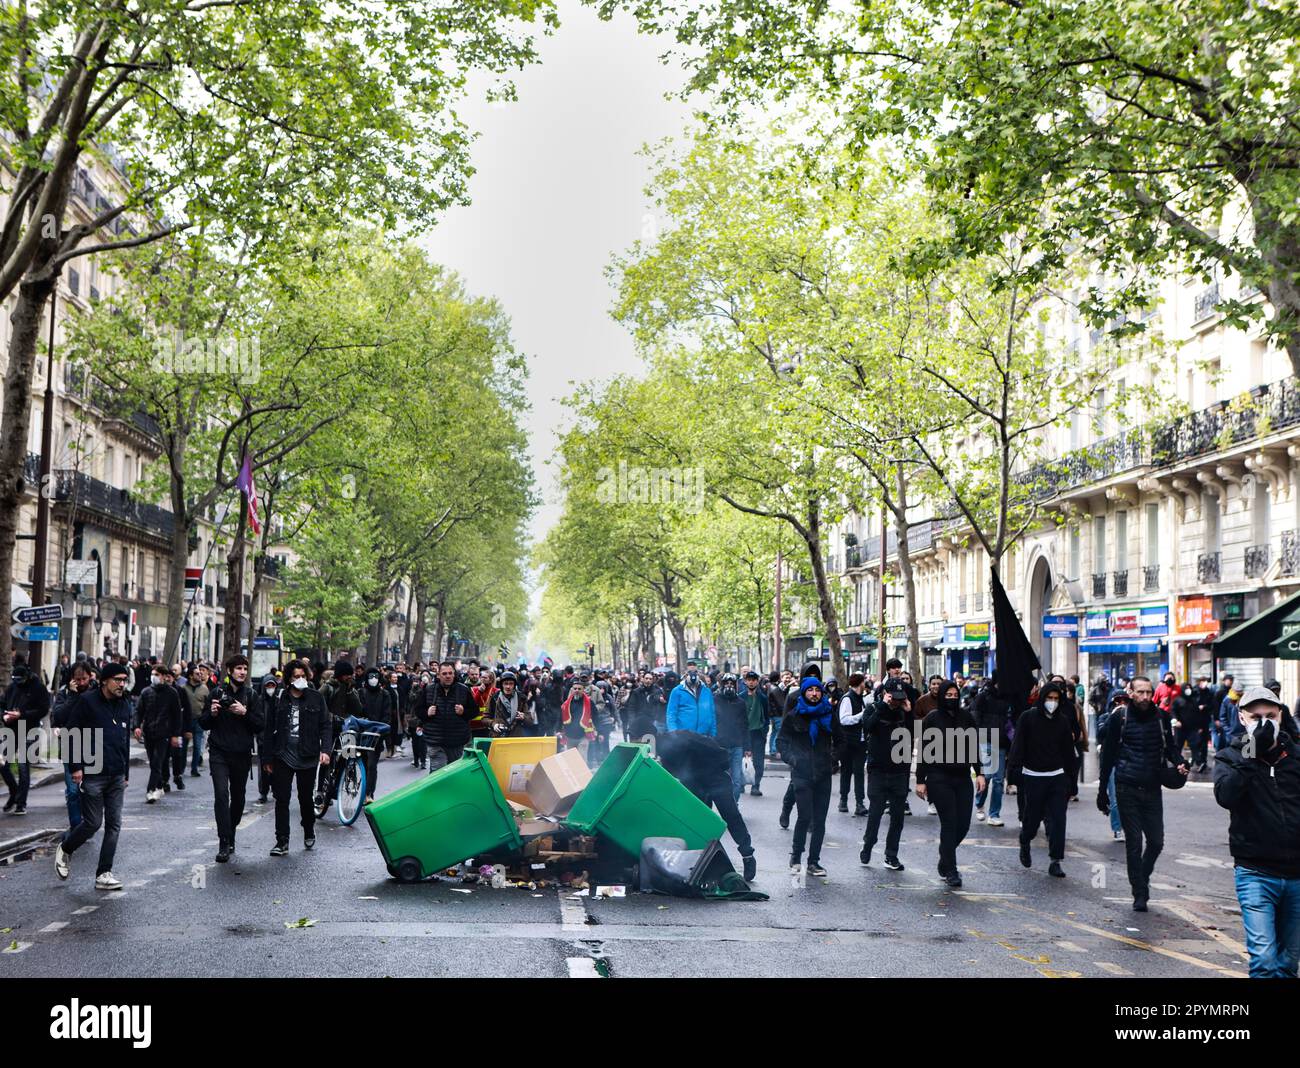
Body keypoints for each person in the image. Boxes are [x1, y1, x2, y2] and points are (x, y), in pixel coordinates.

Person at [1213, 686, 1300, 978]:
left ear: (1281, 715)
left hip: (1297, 874)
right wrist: (1252, 751)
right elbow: (1226, 796)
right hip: (1256, 872)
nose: (1264, 723)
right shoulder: (1230, 756)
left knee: (1288, 964)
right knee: (1263, 959)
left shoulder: (1296, 755)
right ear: (1242, 718)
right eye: (1256, 717)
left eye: (1270, 716)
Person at [1097, 674, 1188, 911]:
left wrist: (1179, 762)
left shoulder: (1161, 718)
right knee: (1134, 843)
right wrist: (1102, 790)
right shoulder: (1120, 718)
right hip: (1126, 787)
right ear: (1131, 694)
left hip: (1152, 787)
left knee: (1156, 842)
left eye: (1149, 692)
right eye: (1141, 692)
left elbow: (1170, 748)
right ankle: (1139, 892)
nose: (1146, 697)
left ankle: (1142, 876)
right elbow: (1107, 756)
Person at [644, 719, 758, 882]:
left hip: (715, 777)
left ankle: (747, 855)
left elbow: (710, 746)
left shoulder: (680, 737)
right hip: (695, 783)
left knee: (731, 815)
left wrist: (720, 764)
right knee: (700, 824)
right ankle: (707, 863)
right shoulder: (658, 754)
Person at [54, 661, 133, 890]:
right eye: (117, 680)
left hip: (116, 774)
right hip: (93, 772)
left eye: (124, 680)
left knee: (114, 824)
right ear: (104, 681)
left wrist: (125, 771)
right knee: (92, 823)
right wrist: (76, 767)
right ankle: (66, 847)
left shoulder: (125, 704)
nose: (121, 684)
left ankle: (104, 873)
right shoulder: (87, 702)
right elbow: (70, 733)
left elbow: (124, 741)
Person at [915, 680, 985, 888]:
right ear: (942, 695)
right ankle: (951, 870)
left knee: (963, 825)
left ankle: (945, 856)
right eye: (949, 694)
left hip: (963, 777)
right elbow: (924, 751)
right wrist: (920, 780)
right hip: (939, 777)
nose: (952, 698)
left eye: (956, 694)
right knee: (950, 823)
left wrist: (979, 773)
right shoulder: (932, 718)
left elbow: (974, 746)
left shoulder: (967, 718)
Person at [260, 660, 332, 855]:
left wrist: (326, 750)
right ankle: (282, 841)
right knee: (281, 799)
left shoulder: (316, 698)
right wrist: (266, 758)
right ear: (289, 679)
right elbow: (268, 729)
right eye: (295, 676)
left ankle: (308, 828)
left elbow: (325, 725)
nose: (300, 679)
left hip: (307, 755)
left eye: (303, 676)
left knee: (305, 799)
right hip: (282, 754)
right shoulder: (279, 698)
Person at [1007, 680, 1076, 878]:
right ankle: (1025, 840)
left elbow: (1067, 752)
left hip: (1057, 777)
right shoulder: (1027, 718)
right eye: (1049, 698)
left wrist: (1071, 779)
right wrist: (1013, 772)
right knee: (1032, 819)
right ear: (1042, 698)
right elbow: (1018, 745)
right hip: (1033, 777)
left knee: (1057, 820)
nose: (1052, 702)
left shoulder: (1062, 721)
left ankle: (1055, 860)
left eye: (1056, 699)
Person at [203, 655, 265, 863]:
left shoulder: (252, 695)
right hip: (219, 752)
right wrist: (211, 713)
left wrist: (244, 712)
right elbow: (202, 723)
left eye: (245, 669)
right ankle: (223, 841)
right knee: (221, 795)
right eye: (238, 668)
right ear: (229, 671)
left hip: (241, 753)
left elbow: (259, 725)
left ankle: (231, 832)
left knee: (238, 799)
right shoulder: (216, 693)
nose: (242, 672)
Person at [779, 676, 836, 878]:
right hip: (802, 774)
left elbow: (841, 739)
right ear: (804, 693)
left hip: (823, 773)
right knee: (804, 817)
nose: (814, 694)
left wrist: (834, 759)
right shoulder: (794, 716)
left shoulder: (829, 714)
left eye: (817, 690)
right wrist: (793, 760)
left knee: (819, 821)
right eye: (810, 690)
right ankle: (795, 857)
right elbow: (781, 742)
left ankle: (814, 862)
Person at [859, 678, 912, 870]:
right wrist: (883, 706)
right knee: (875, 814)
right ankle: (868, 845)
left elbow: (914, 735)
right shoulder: (873, 708)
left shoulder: (904, 712)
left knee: (898, 818)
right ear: (885, 694)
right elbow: (867, 727)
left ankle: (891, 855)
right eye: (894, 698)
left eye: (900, 698)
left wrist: (908, 712)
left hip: (899, 771)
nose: (897, 702)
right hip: (878, 771)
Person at [2, 655, 50, 814]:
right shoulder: (12, 687)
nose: (17, 684)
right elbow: (1, 703)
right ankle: (14, 792)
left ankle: (21, 803)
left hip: (29, 729)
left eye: (20, 681)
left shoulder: (38, 687)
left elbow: (43, 709)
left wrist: (22, 714)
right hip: (11, 729)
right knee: (3, 764)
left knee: (23, 766)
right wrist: (4, 715)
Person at [51, 661, 95, 830]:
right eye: (78, 679)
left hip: (93, 747)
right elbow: (59, 717)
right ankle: (77, 828)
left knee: (91, 790)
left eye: (84, 679)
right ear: (72, 679)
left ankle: (89, 822)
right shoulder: (65, 694)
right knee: (73, 790)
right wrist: (73, 695)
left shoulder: (97, 693)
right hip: (72, 746)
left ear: (90, 677)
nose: (82, 683)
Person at [133, 663, 182, 803]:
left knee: (156, 761)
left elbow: (177, 715)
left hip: (164, 733)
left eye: (157, 674)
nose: (153, 677)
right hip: (149, 732)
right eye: (153, 674)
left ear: (164, 676)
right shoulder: (146, 692)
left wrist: (175, 734)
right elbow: (139, 711)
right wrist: (136, 726)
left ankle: (151, 789)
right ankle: (159, 786)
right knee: (154, 763)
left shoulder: (172, 693)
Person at [417, 660, 474, 771]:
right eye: (444, 673)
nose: (447, 676)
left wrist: (464, 712)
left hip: (456, 741)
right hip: (435, 741)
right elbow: (418, 711)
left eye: (450, 673)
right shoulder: (429, 690)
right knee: (437, 775)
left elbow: (474, 711)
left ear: (454, 674)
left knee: (453, 774)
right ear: (438, 675)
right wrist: (427, 713)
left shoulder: (463, 690)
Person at [971, 674, 1012, 827]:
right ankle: (979, 803)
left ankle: (994, 814)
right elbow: (974, 719)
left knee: (999, 780)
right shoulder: (983, 697)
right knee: (987, 775)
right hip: (986, 740)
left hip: (1001, 742)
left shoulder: (1008, 700)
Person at [837, 673, 869, 816]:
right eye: (864, 682)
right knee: (846, 771)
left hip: (860, 741)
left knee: (859, 773)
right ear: (860, 683)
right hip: (848, 741)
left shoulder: (859, 698)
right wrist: (862, 714)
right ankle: (843, 800)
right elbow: (844, 719)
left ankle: (859, 803)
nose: (865, 685)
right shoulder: (848, 699)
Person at [713, 674, 749, 801]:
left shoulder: (740, 703)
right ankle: (726, 808)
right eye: (726, 683)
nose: (729, 686)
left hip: (737, 746)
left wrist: (747, 747)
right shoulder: (715, 699)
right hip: (720, 745)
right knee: (723, 778)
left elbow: (745, 725)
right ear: (722, 685)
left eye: (732, 683)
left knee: (737, 780)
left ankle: (735, 806)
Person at [666, 663, 716, 737]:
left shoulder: (707, 691)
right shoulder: (677, 691)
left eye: (695, 672)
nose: (693, 675)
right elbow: (671, 713)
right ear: (685, 674)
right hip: (684, 736)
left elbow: (711, 713)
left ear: (699, 673)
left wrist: (713, 733)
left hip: (703, 736)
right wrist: (674, 733)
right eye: (690, 672)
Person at [741, 670, 768, 796]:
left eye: (753, 680)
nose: (751, 682)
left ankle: (756, 785)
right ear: (745, 681)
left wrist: (765, 729)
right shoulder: (740, 697)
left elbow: (767, 716)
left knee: (758, 761)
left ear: (757, 681)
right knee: (741, 760)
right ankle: (741, 784)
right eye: (749, 680)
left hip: (758, 733)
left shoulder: (763, 697)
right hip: (744, 733)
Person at [254, 673, 279, 804]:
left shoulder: (280, 700)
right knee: (263, 768)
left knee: (276, 768)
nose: (270, 688)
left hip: (276, 739)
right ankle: (263, 792)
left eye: (272, 685)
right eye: (268, 685)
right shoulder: (259, 700)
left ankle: (275, 789)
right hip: (263, 739)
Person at [491, 671, 536, 737]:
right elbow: (485, 718)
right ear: (501, 685)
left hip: (516, 736)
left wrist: (523, 717)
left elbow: (530, 720)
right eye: (505, 684)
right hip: (499, 735)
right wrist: (494, 724)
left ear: (514, 685)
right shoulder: (495, 697)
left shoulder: (521, 698)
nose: (508, 686)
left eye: (511, 684)